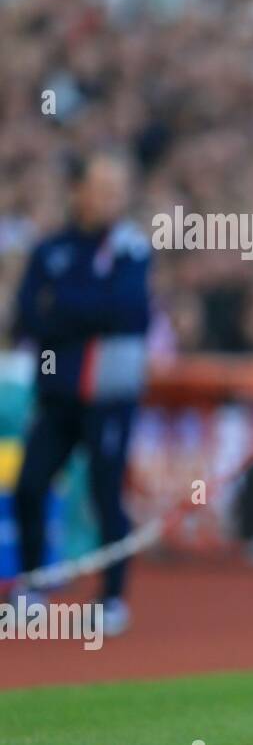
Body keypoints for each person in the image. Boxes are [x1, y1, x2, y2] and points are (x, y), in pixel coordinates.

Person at [11, 152, 151, 636]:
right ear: (80, 191)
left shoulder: (131, 246)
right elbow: (26, 316)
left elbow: (129, 311)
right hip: (57, 394)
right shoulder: (51, 248)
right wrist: (87, 308)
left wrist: (64, 307)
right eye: (103, 188)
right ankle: (32, 584)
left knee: (105, 491)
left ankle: (112, 598)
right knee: (30, 483)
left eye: (119, 189)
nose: (113, 199)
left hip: (109, 396)